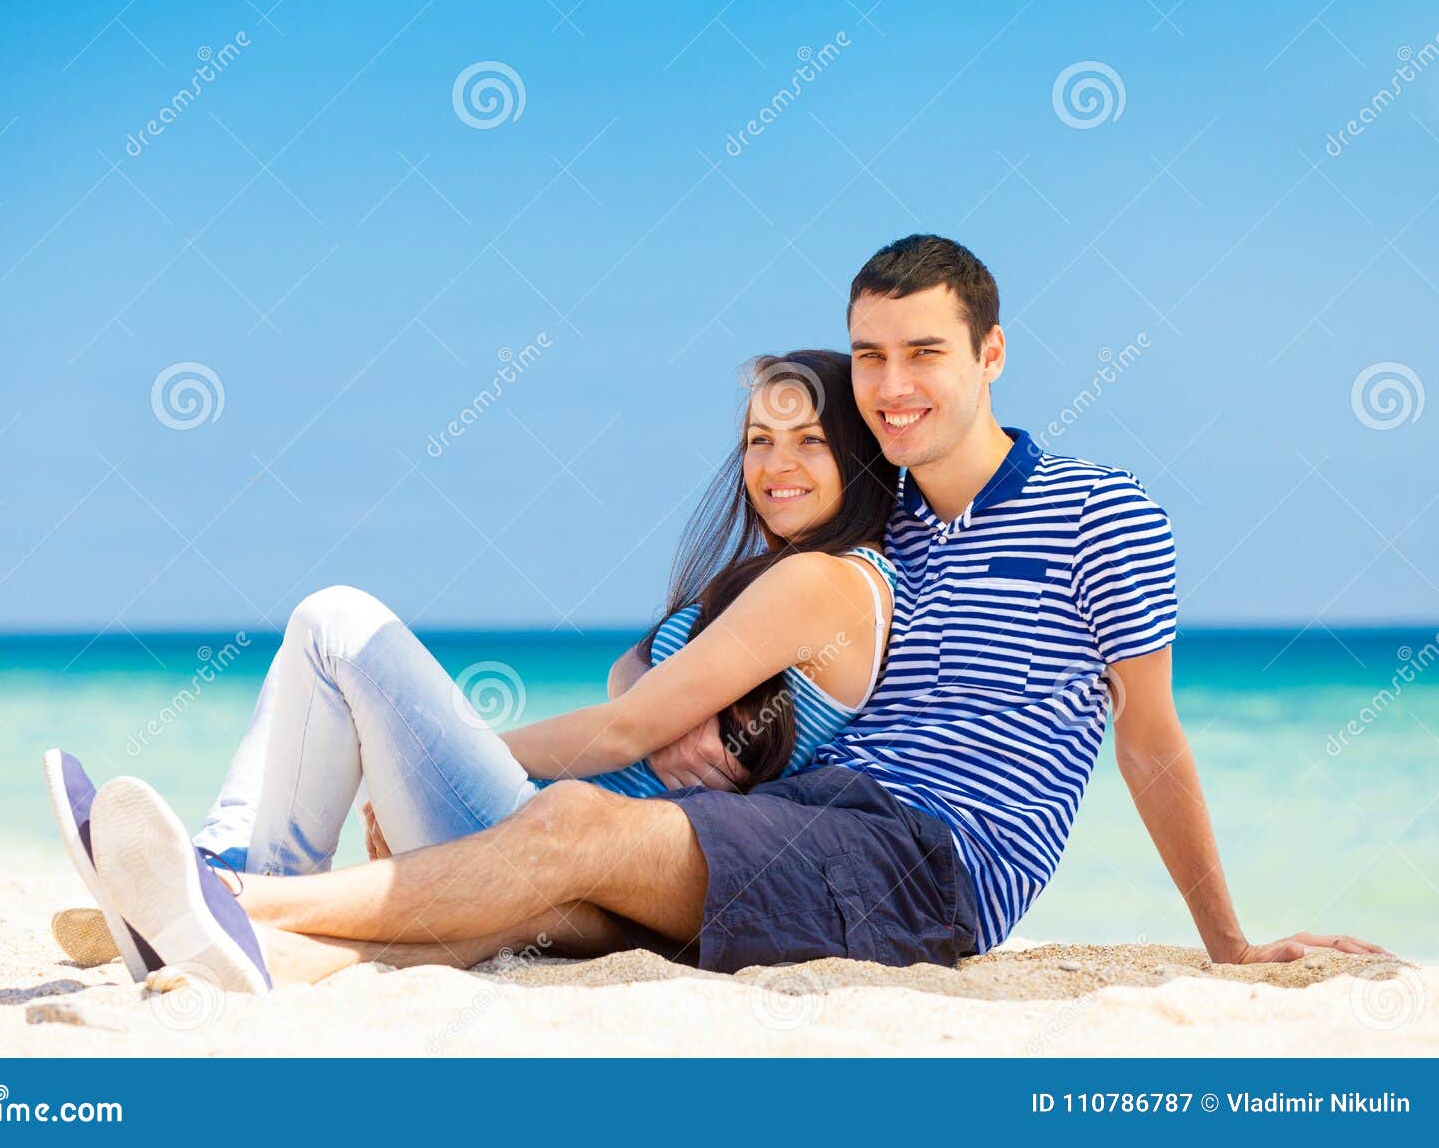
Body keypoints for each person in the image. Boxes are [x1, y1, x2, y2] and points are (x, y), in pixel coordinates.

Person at [64, 234, 1388, 996]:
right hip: (815, 821)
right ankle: (227, 943)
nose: (891, 381)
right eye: (870, 352)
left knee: (576, 827)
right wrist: (716, 726)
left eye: (923, 350)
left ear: (991, 355)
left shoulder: (1099, 511)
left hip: (936, 863)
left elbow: (1150, 737)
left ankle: (233, 894)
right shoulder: (885, 526)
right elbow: (779, 687)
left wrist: (1226, 938)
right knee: (563, 898)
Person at [46, 349, 917, 986]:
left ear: (860, 454)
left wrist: (453, 757)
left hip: (555, 848)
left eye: (809, 440)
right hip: (549, 845)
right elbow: (631, 677)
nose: (775, 465)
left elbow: (623, 723)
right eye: (760, 439)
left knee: (335, 621)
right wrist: (674, 705)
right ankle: (223, 884)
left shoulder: (824, 581)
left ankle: (226, 879)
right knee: (317, 643)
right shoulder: (773, 575)